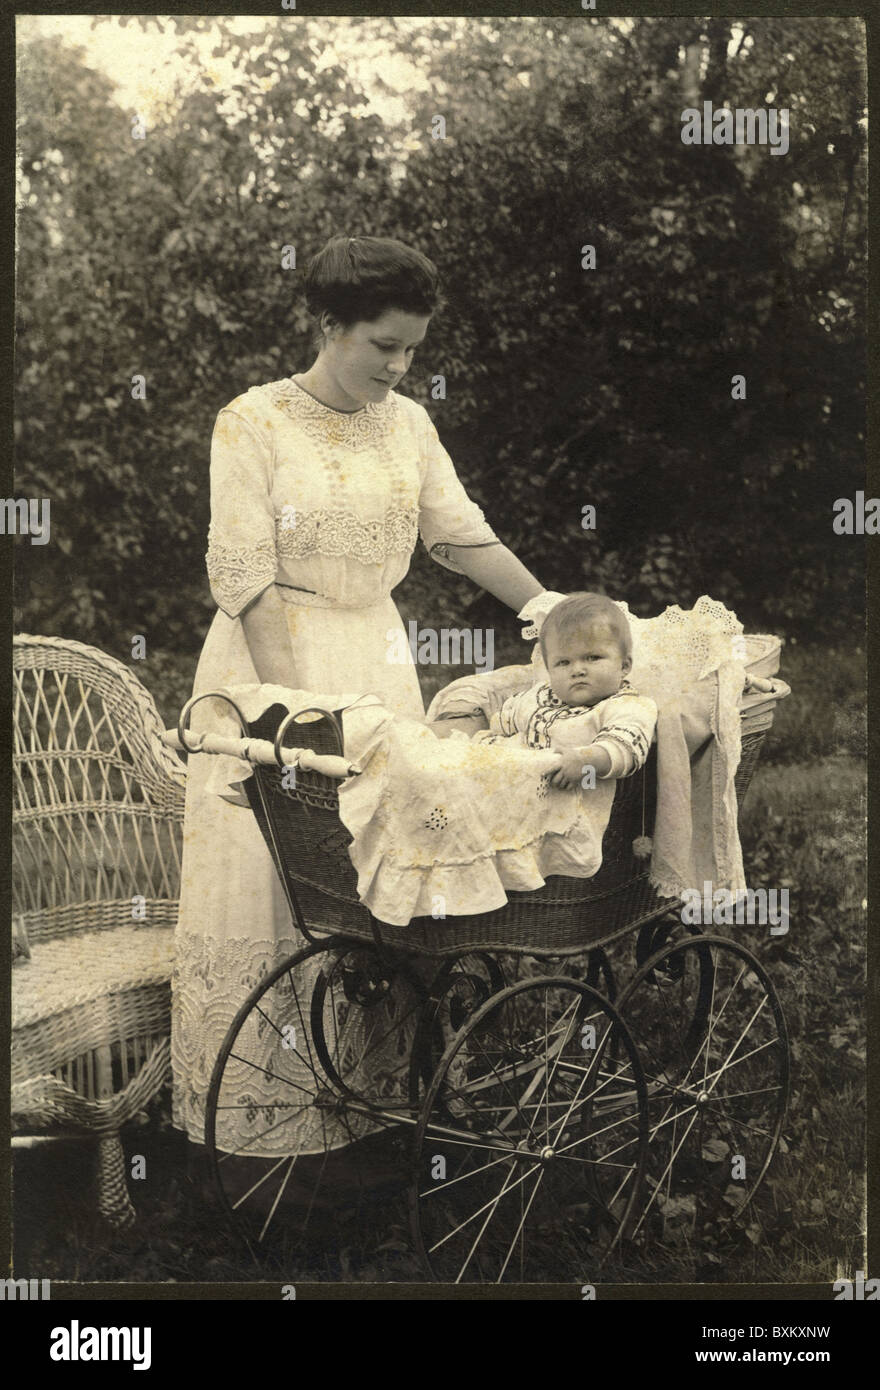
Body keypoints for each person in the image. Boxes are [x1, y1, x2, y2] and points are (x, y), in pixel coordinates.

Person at [171, 234, 547, 1164]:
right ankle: (262, 1127)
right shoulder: (250, 422)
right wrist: (296, 722)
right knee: (278, 877)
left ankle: (369, 1109)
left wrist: (547, 604)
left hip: (378, 658)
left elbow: (457, 536)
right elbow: (250, 578)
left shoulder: (408, 424)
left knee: (371, 873)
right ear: (329, 325)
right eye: (383, 345)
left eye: (413, 347)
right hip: (275, 664)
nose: (401, 365)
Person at [476, 592, 657, 789]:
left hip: (569, 801)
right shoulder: (539, 696)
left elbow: (624, 749)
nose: (577, 670)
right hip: (506, 781)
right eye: (563, 662)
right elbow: (501, 723)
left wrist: (586, 760)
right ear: (549, 669)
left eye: (593, 657)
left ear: (624, 665)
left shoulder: (628, 706)